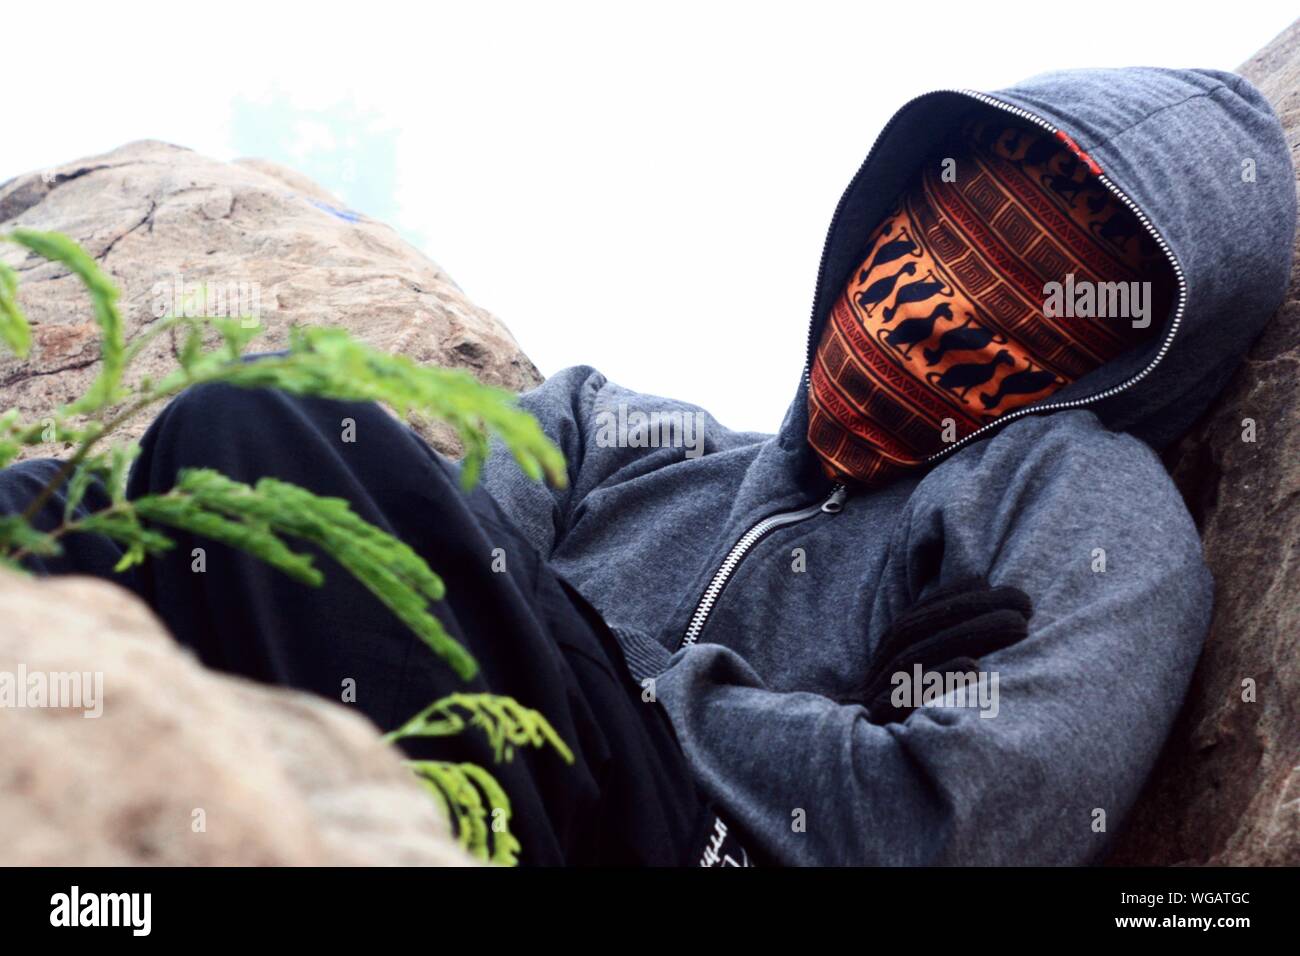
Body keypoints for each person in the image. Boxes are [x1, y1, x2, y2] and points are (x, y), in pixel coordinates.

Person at [2, 66, 1293, 866]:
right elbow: (425, 589)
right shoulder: (605, 426)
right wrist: (801, 713)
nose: (943, 299)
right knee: (81, 504)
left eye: (1048, 283)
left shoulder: (1074, 497)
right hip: (506, 749)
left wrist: (639, 692)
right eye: (951, 223)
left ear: (1125, 359)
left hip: (678, 842)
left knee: (252, 430)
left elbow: (968, 819)